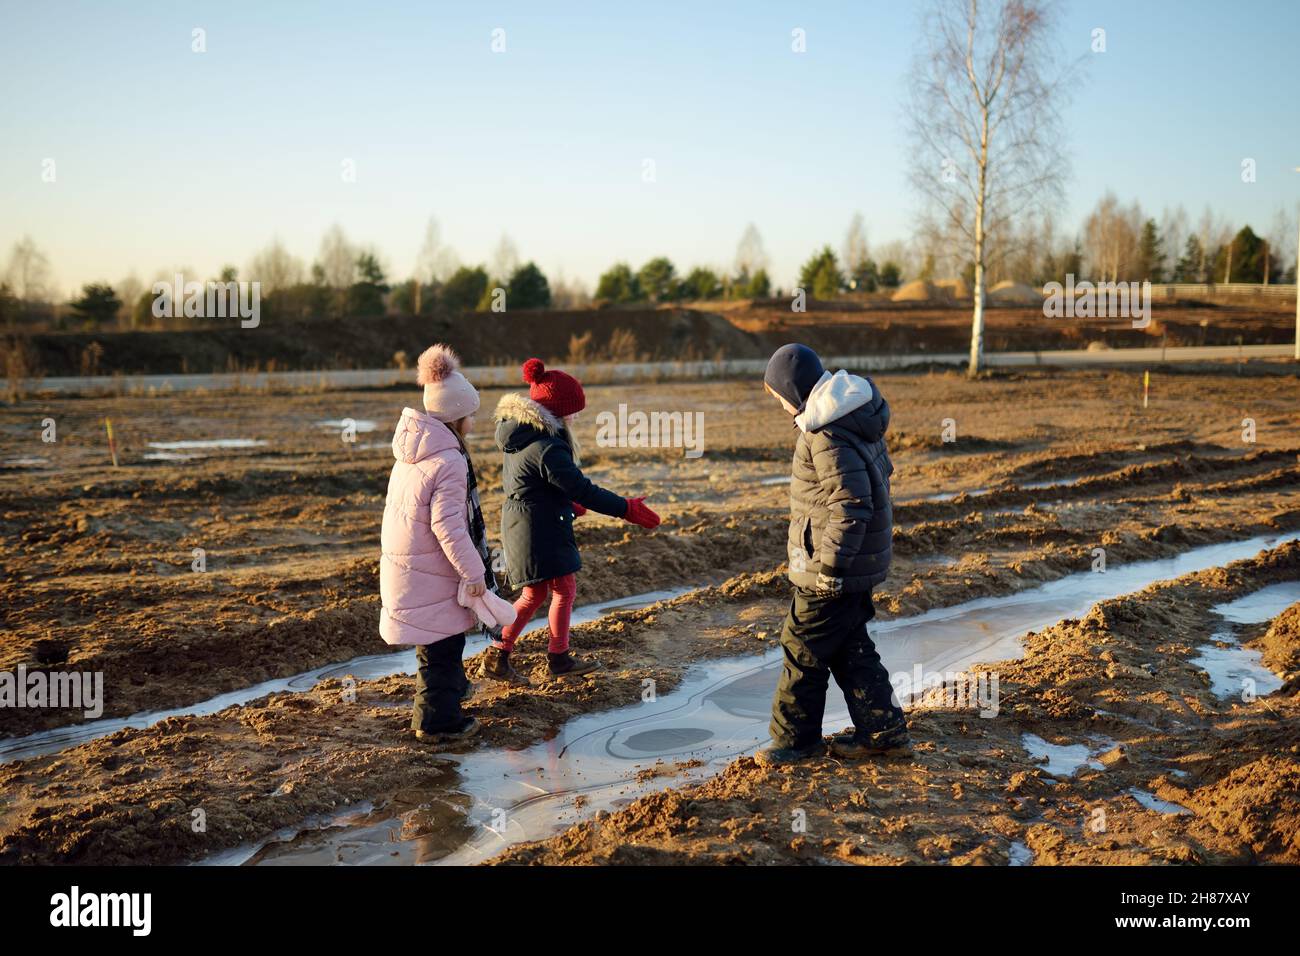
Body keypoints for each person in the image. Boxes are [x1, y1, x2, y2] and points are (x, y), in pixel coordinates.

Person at [756, 343, 909, 765]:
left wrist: (830, 570)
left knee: (801, 645)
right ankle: (883, 730)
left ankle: (795, 741)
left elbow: (852, 504)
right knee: (848, 646)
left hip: (832, 566)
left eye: (777, 395)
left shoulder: (824, 433)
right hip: (857, 562)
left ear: (794, 391)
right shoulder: (848, 416)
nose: (777, 403)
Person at [480, 358, 660, 684]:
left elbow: (535, 482)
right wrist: (626, 508)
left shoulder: (524, 436)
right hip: (537, 529)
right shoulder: (547, 446)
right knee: (550, 592)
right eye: (573, 410)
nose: (576, 416)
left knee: (547, 591)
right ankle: (542, 657)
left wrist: (565, 500)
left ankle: (516, 655)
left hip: (531, 523)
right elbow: (581, 487)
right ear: (558, 409)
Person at [378, 344, 493, 742]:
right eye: (470, 416)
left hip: (411, 569)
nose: (474, 424)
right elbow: (449, 527)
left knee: (437, 646)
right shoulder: (449, 460)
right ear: (455, 418)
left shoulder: (412, 455)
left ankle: (451, 698)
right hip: (431, 571)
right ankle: (436, 724)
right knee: (442, 650)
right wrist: (474, 572)